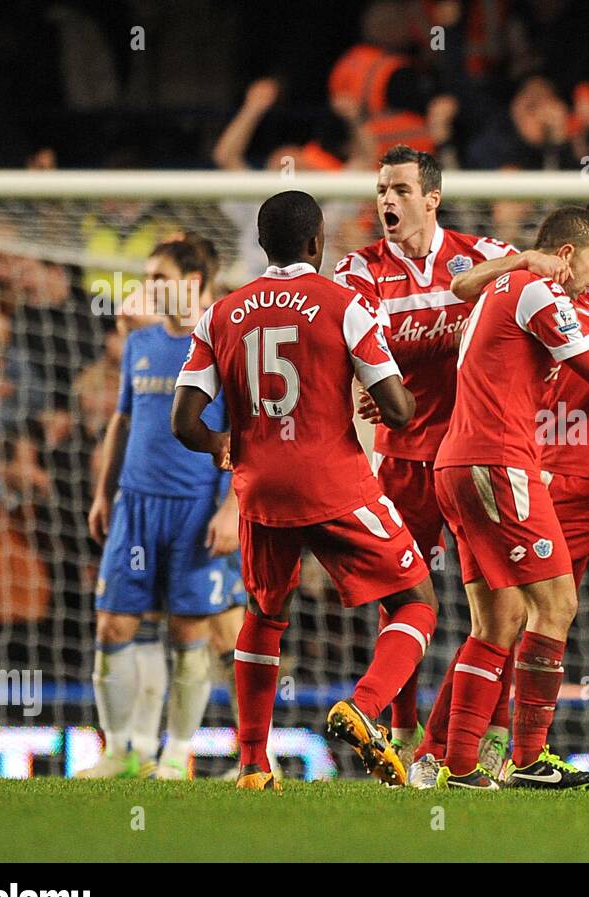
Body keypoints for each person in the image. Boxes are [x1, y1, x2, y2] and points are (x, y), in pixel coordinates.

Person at [399, 189, 589, 789]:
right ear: (572, 252)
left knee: (498, 618)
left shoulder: (511, 287)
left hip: (479, 466)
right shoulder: (541, 293)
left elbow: (462, 288)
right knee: (553, 608)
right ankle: (524, 758)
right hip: (515, 468)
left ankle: (455, 765)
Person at [172, 190, 437, 791]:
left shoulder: (221, 312)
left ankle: (252, 764)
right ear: (317, 243)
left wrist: (223, 446)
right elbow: (396, 411)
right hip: (335, 485)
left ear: (264, 245)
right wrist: (404, 391)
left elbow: (183, 422)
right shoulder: (344, 304)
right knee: (417, 600)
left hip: (261, 490)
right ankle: (364, 707)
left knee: (265, 615)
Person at [334, 144, 541, 776]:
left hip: (474, 459)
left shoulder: (482, 260)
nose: (387, 200)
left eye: (399, 189)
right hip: (401, 461)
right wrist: (365, 385)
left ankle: (486, 739)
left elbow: (535, 320)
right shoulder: (359, 270)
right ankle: (399, 733)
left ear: (432, 197)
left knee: (504, 606)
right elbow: (351, 346)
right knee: (404, 598)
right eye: (380, 190)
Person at [79, 238, 244, 781]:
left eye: (159, 277)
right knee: (113, 626)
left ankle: (175, 756)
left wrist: (229, 510)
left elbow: (247, 434)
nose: (148, 287)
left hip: (196, 509)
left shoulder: (223, 344)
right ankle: (122, 751)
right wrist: (106, 493)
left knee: (189, 633)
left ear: (194, 281)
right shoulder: (140, 343)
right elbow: (122, 422)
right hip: (135, 506)